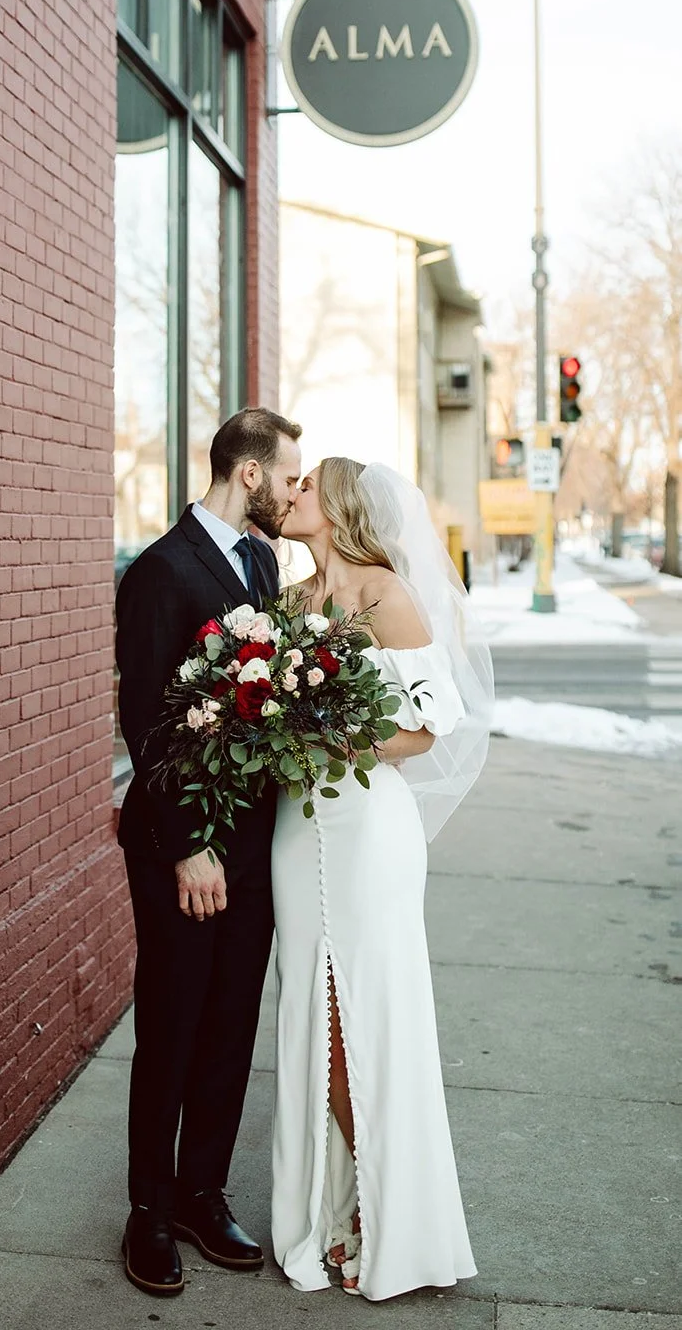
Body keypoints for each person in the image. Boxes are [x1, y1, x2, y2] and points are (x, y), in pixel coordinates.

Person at [272, 457, 493, 1300]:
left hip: (369, 829)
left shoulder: (381, 595)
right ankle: (326, 1219)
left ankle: (384, 1219)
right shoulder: (291, 606)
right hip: (298, 834)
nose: (289, 496)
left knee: (364, 1017)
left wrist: (341, 745)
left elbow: (431, 726)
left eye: (302, 487)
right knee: (310, 1018)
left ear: (335, 507)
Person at [114, 407, 303, 1297]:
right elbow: (145, 722)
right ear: (251, 474)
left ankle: (201, 1193)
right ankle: (147, 1211)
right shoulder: (159, 571)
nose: (293, 490)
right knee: (173, 1025)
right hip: (178, 848)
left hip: (255, 841)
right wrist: (191, 848)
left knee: (230, 1026)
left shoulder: (262, 561)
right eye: (288, 474)